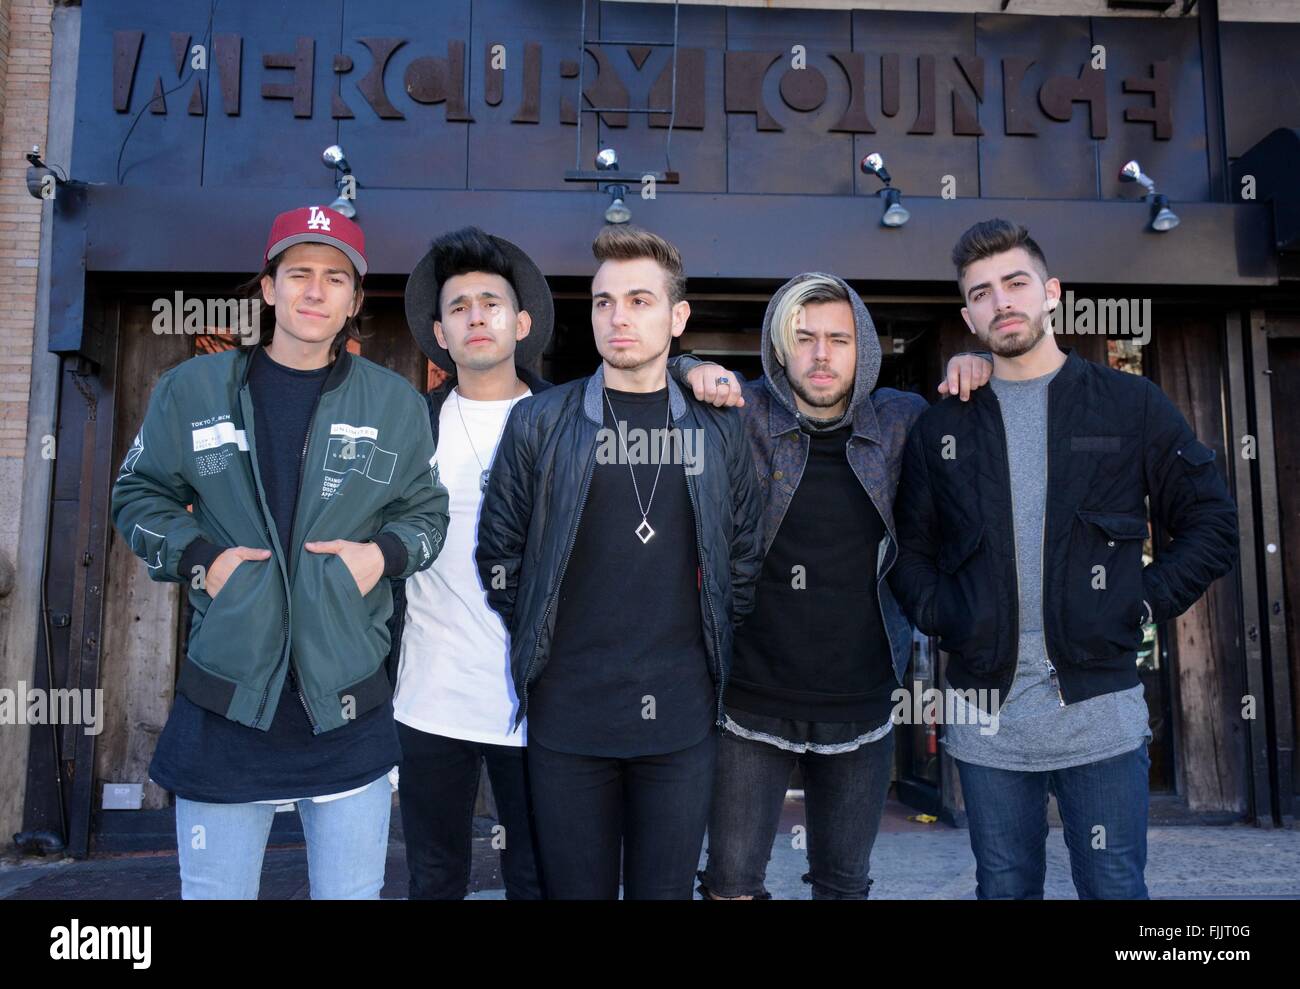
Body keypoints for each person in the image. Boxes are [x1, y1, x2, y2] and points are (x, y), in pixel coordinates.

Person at [890, 218, 1238, 899]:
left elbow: (1213, 523)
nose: (1002, 302)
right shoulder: (944, 425)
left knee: (1112, 886)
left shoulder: (1129, 402)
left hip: (1100, 718)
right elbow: (909, 549)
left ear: (1051, 292)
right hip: (986, 722)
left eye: (1016, 283)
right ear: (968, 314)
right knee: (1007, 886)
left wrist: (1139, 599)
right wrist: (946, 614)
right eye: (982, 293)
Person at [110, 205, 449, 899]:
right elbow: (136, 497)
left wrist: (380, 555)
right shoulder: (192, 390)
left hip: (347, 710)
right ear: (269, 288)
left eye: (334, 277)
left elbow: (426, 513)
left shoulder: (396, 404)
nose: (315, 290)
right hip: (226, 709)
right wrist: (204, 556)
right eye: (298, 274)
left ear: (355, 299)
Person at [674, 277, 993, 900]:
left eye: (838, 340)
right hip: (749, 700)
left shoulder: (904, 421)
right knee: (731, 883)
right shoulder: (739, 415)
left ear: (863, 349)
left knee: (844, 885)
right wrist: (689, 365)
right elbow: (646, 383)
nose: (822, 354)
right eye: (805, 338)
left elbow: (970, 472)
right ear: (779, 348)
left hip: (863, 703)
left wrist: (981, 366)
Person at [475, 225, 763, 899]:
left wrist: (703, 647)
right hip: (569, 719)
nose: (618, 317)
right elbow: (500, 553)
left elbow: (742, 554)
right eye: (605, 302)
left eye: (639, 300)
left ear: (677, 316)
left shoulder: (718, 427)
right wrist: (546, 637)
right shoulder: (539, 423)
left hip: (682, 722)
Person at [388, 227, 551, 899]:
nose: (476, 315)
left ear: (522, 321)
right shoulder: (410, 429)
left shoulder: (568, 424)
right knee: (433, 877)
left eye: (490, 301)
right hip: (429, 698)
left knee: (539, 874)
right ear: (440, 331)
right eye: (459, 306)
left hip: (541, 699)